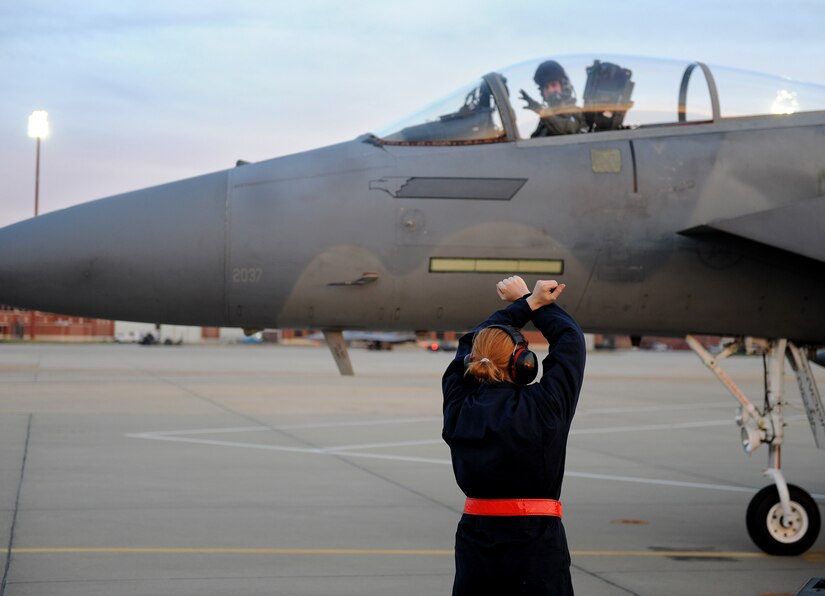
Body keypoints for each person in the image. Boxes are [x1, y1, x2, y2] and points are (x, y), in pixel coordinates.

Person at [442, 276, 586, 595]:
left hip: (475, 545)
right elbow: (571, 341)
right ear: (523, 363)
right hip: (536, 547)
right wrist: (530, 300)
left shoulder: (458, 403)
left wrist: (524, 304)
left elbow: (468, 343)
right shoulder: (546, 406)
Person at [520, 60, 583, 137]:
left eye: (554, 85)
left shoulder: (575, 111)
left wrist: (541, 110)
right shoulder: (546, 119)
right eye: (546, 87)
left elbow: (568, 130)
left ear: (564, 86)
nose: (550, 90)